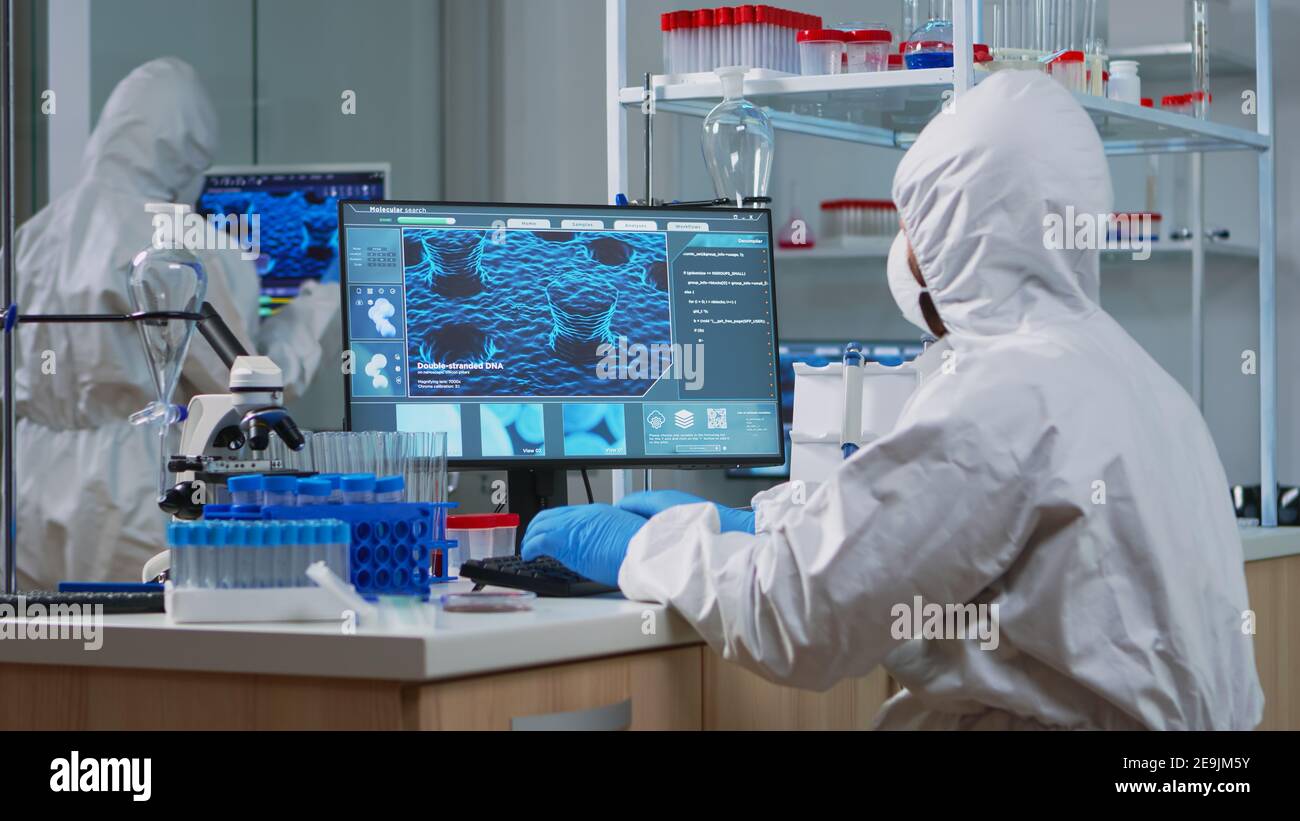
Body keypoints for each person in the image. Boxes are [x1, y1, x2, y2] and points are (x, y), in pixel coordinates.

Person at [522, 72, 1264, 730]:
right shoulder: (1133, 377)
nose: (905, 244)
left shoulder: (1005, 395)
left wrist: (640, 548)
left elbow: (799, 615)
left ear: (959, 230)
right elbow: (934, 567)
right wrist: (757, 520)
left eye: (914, 219)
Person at [13, 58, 339, 587]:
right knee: (146, 654)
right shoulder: (173, 238)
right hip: (128, 490)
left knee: (46, 653)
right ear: (187, 151)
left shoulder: (33, 234)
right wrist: (316, 305)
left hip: (30, 484)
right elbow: (247, 384)